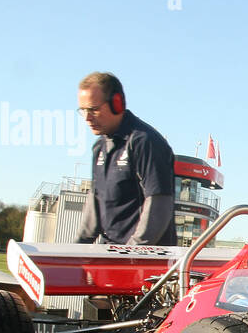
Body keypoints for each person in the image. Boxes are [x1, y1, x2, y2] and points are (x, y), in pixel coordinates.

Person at [75, 72, 177, 246]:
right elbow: (95, 202)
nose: (87, 118)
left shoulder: (145, 142)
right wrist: (76, 250)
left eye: (93, 109)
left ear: (117, 103)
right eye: (83, 110)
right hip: (112, 254)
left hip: (143, 261)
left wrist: (131, 253)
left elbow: (159, 204)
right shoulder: (99, 147)